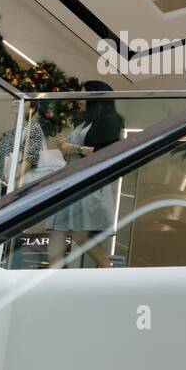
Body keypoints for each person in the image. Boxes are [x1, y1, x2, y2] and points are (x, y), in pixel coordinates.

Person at [47, 82, 124, 268]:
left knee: (79, 234)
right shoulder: (84, 122)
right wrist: (64, 148)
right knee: (58, 230)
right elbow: (74, 154)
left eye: (83, 94)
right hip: (71, 181)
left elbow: (108, 152)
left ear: (95, 97)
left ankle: (106, 266)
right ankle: (51, 276)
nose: (79, 99)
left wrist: (75, 148)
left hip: (87, 183)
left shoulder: (111, 120)